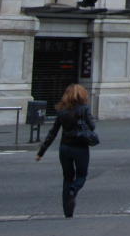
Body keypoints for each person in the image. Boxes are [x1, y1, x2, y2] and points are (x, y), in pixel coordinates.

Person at [35, 83, 96, 218]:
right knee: (81, 175)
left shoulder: (62, 111)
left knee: (67, 177)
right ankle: (74, 189)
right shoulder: (84, 108)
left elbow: (53, 133)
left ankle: (67, 212)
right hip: (80, 147)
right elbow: (92, 126)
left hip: (65, 148)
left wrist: (41, 152)